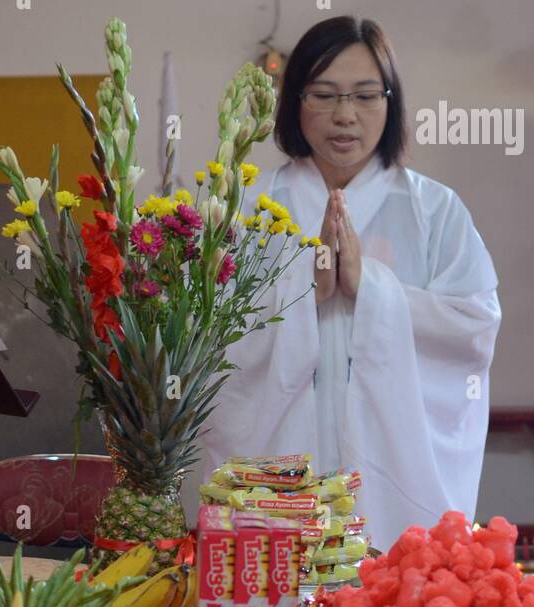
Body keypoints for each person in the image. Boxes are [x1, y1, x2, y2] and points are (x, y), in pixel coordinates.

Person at [203, 16, 501, 551]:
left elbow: (474, 328)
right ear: (295, 101)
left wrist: (372, 289)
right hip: (279, 474)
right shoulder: (246, 204)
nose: (345, 116)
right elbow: (204, 334)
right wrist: (303, 289)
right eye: (324, 94)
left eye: (365, 95)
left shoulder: (433, 211)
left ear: (391, 103)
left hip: (391, 474)